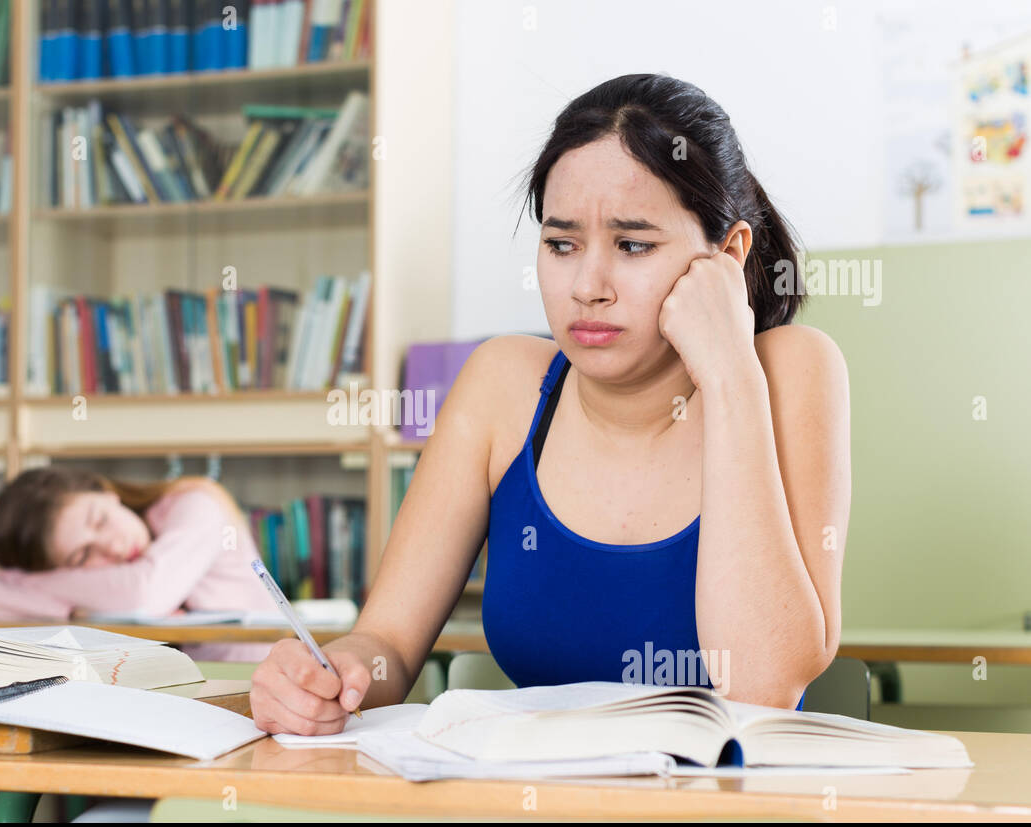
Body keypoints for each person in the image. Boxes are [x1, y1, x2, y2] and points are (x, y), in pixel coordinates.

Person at [250, 72, 852, 735]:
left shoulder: (788, 370)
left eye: (632, 245)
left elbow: (762, 685)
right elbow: (388, 643)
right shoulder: (502, 385)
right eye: (561, 244)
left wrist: (730, 370)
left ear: (728, 254)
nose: (587, 286)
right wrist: (328, 676)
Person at [0, 466, 275, 661]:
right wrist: (44, 586)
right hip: (188, 694)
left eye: (99, 520)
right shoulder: (99, 583)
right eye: (82, 557)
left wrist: (16, 580)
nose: (112, 548)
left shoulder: (196, 504)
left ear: (107, 493)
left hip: (258, 692)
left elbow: (145, 596)